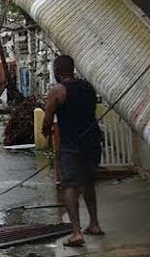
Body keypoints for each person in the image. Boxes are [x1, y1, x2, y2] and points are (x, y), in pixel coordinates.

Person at [41, 54, 104, 247]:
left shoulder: (58, 91)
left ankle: (76, 233)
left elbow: (47, 119)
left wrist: (46, 134)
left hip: (71, 144)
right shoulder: (88, 87)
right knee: (88, 183)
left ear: (57, 72)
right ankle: (94, 224)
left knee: (69, 186)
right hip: (92, 141)